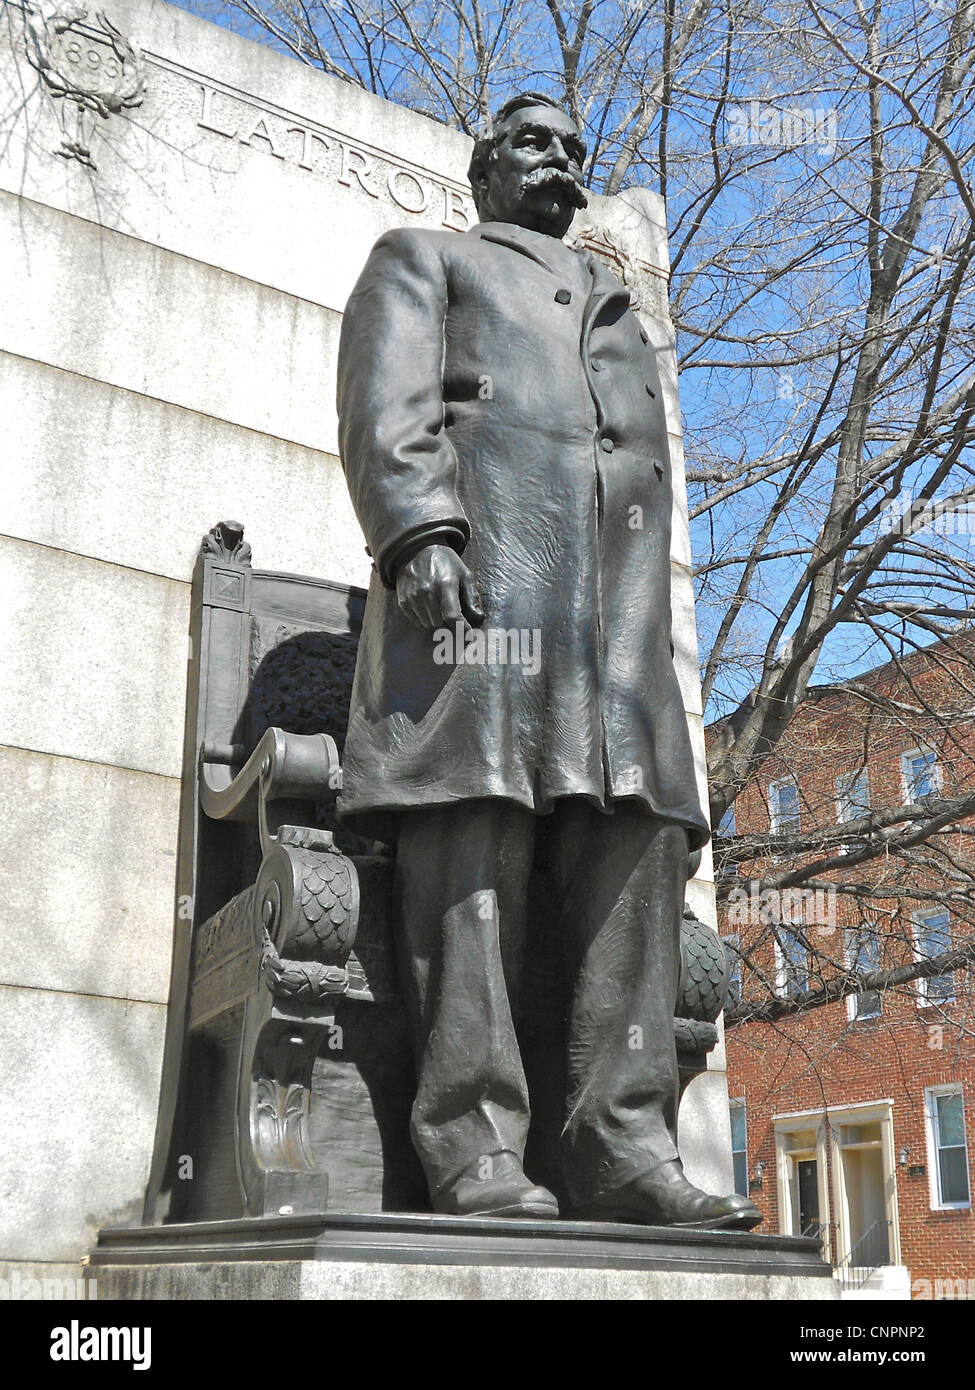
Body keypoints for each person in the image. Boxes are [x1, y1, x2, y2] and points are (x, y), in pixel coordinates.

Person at [335, 91, 761, 1230]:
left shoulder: (620, 314)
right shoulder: (426, 259)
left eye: (576, 147)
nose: (562, 162)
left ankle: (621, 1147)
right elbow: (388, 406)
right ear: (482, 170)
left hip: (613, 647)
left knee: (638, 848)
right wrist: (419, 530)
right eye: (534, 142)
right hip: (486, 610)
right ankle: (473, 1147)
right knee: (471, 844)